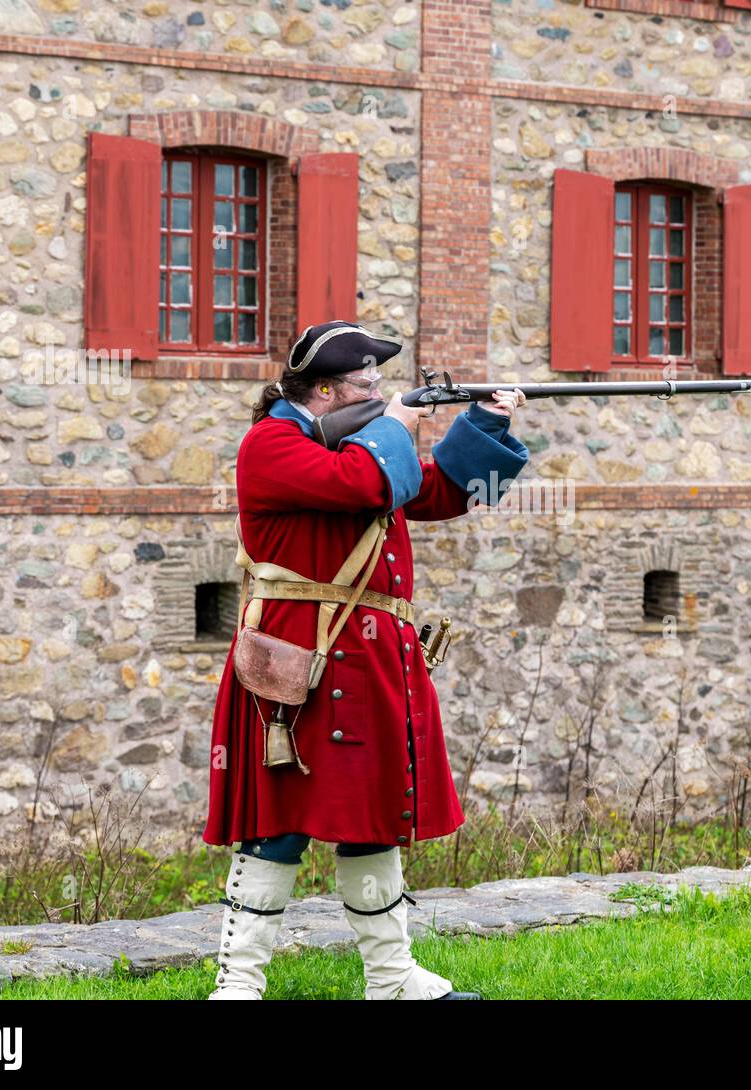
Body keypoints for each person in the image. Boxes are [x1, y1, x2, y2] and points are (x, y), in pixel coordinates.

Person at [203, 320, 528, 1000]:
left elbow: (441, 493)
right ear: (323, 391)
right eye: (365, 385)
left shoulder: (361, 448)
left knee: (373, 824)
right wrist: (400, 421)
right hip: (296, 665)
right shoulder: (271, 445)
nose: (378, 395)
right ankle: (237, 985)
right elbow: (362, 482)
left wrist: (487, 426)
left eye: (381, 386)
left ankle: (393, 978)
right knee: (277, 827)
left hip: (371, 668)